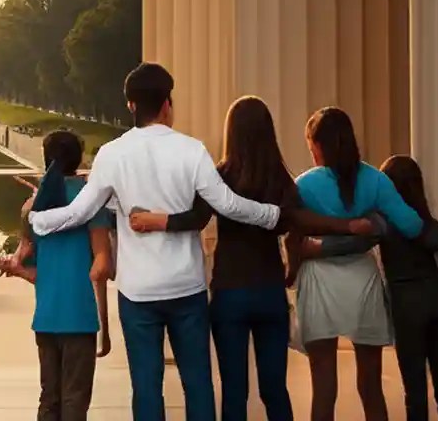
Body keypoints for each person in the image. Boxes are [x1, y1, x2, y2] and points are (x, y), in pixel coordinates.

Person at [26, 63, 283, 421]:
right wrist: (271, 215)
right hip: (186, 287)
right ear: (167, 104)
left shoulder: (112, 154)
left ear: (131, 105)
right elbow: (227, 205)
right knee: (197, 385)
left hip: (138, 292)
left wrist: (38, 220)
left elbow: (79, 212)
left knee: (147, 387)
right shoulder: (192, 150)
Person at [127, 96, 375, 421]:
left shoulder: (219, 175)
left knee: (234, 392)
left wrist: (156, 219)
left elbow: (196, 218)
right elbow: (298, 220)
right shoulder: (279, 178)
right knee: (274, 390)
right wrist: (345, 227)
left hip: (230, 293)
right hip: (269, 292)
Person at [297, 155, 438, 421]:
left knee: (415, 388)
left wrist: (315, 248)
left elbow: (355, 244)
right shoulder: (431, 224)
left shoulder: (383, 220)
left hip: (408, 303)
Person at [287, 107, 425, 421]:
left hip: (319, 280)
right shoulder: (375, 180)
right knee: (371, 387)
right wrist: (376, 222)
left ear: (318, 146)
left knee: (323, 387)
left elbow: (288, 229)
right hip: (361, 280)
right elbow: (413, 226)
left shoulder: (304, 185)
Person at [0, 130, 116, 419]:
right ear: (79, 159)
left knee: (49, 400)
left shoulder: (37, 206)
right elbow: (102, 267)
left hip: (47, 319)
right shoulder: (90, 201)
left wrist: (18, 269)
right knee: (75, 402)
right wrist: (106, 329)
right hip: (80, 320)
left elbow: (40, 275)